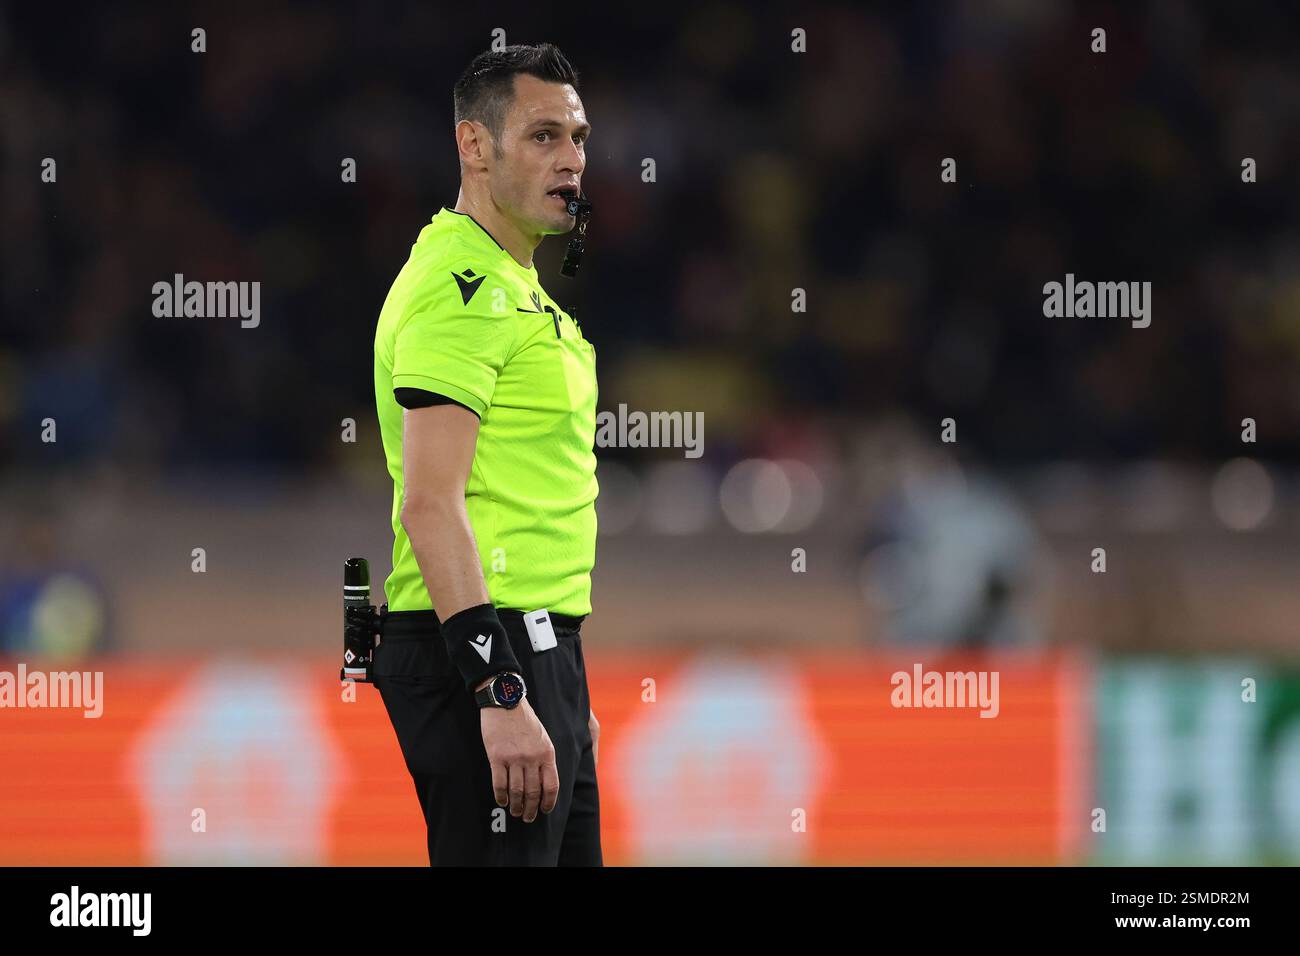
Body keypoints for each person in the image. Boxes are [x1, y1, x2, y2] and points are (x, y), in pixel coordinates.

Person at [370, 42, 601, 866]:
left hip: (534, 647)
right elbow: (430, 504)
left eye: (577, 138)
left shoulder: (511, 284)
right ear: (474, 147)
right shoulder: (460, 287)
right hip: (484, 647)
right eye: (543, 136)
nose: (571, 159)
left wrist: (560, 683)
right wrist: (501, 689)